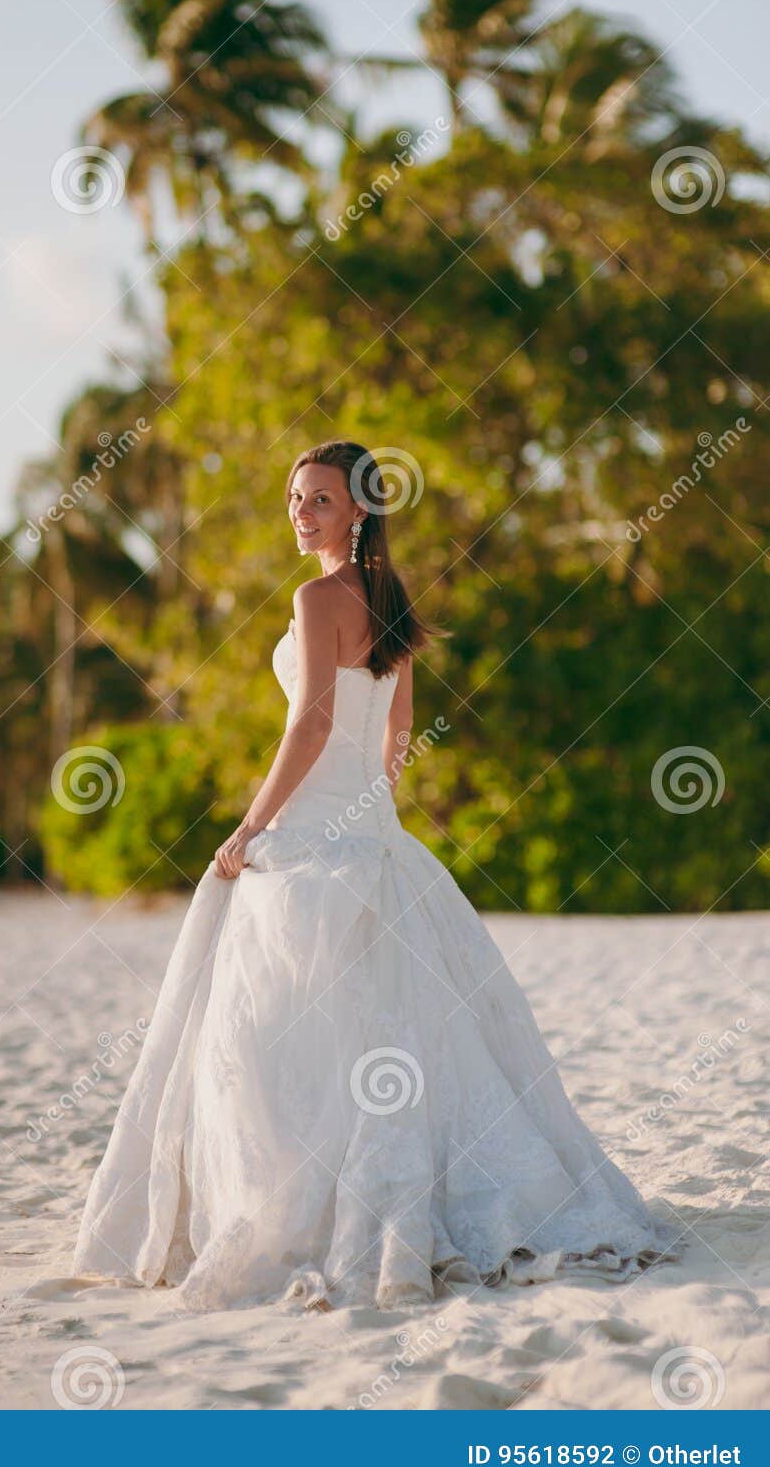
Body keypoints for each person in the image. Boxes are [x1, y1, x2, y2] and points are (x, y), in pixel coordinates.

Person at [72, 440, 679, 1310]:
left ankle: (291, 1214)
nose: (300, 512)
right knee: (385, 1030)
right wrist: (371, 813)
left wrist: (253, 826)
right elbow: (395, 731)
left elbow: (311, 724)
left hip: (317, 838)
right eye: (293, 497)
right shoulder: (390, 599)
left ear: (357, 509)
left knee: (279, 1026)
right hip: (374, 837)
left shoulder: (317, 597)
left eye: (318, 499)